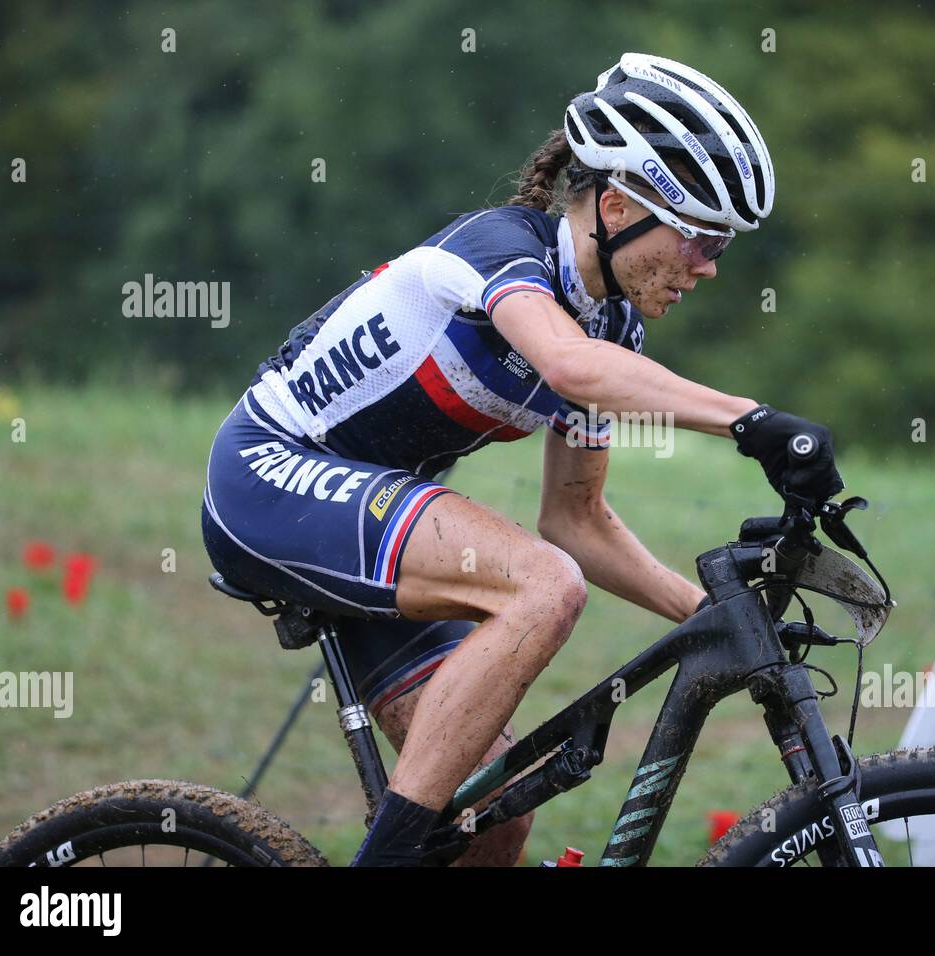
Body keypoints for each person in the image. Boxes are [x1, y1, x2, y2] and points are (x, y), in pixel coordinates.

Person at [200, 52, 842, 867]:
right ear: (617, 205)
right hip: (267, 474)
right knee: (543, 586)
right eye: (702, 237)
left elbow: (576, 520)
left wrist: (712, 616)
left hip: (362, 510)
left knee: (495, 810)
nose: (710, 266)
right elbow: (570, 371)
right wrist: (754, 420)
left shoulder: (608, 328)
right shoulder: (502, 252)